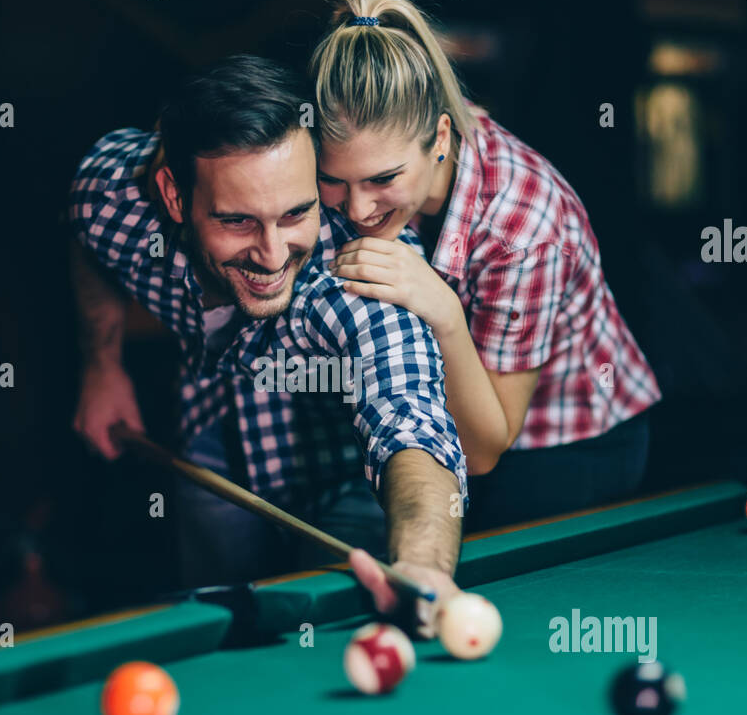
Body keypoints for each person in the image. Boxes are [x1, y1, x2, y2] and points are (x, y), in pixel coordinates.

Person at [69, 54, 466, 615]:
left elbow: (412, 421)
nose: (273, 254)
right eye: (238, 221)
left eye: (295, 214)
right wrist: (101, 364)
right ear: (175, 196)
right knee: (219, 625)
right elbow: (88, 239)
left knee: (343, 621)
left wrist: (423, 567)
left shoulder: (362, 271)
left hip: (346, 471)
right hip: (215, 440)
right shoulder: (112, 195)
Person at [309, 0, 661, 533]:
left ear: (440, 137)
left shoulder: (524, 226)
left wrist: (442, 309)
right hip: (455, 423)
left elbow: (485, 448)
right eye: (333, 180)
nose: (356, 209)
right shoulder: (397, 121)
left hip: (568, 443)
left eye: (383, 179)